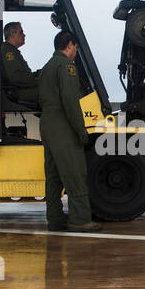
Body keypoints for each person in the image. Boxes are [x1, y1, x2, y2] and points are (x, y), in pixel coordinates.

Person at [38, 31, 100, 232]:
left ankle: (55, 218)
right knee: (75, 172)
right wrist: (81, 131)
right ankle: (80, 220)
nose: (75, 52)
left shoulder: (47, 67)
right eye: (75, 47)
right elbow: (70, 102)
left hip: (47, 125)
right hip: (63, 125)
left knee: (54, 175)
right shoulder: (67, 67)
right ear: (71, 45)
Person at [0, 21, 40, 103]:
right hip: (17, 92)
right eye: (21, 32)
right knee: (50, 91)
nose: (24, 35)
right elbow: (16, 77)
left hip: (19, 89)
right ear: (12, 34)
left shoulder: (12, 51)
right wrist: (38, 81)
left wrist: (40, 74)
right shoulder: (8, 52)